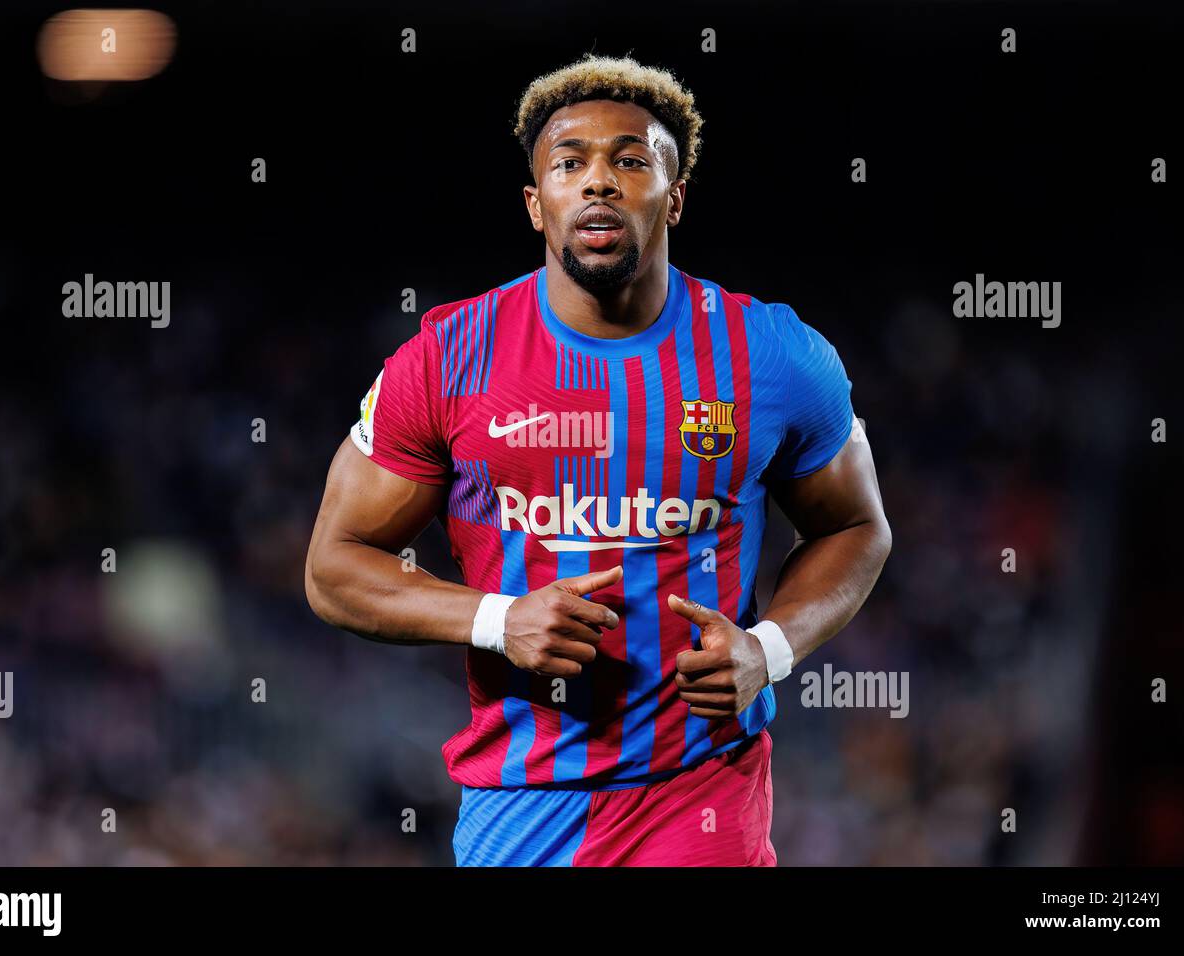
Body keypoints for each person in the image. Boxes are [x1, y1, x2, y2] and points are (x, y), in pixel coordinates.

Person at [306, 53, 891, 866]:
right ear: (536, 205)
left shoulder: (776, 354)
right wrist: (497, 619)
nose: (599, 182)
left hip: (703, 792)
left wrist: (770, 649)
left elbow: (857, 527)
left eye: (631, 159)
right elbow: (333, 567)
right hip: (522, 806)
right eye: (569, 163)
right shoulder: (446, 360)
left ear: (674, 196)